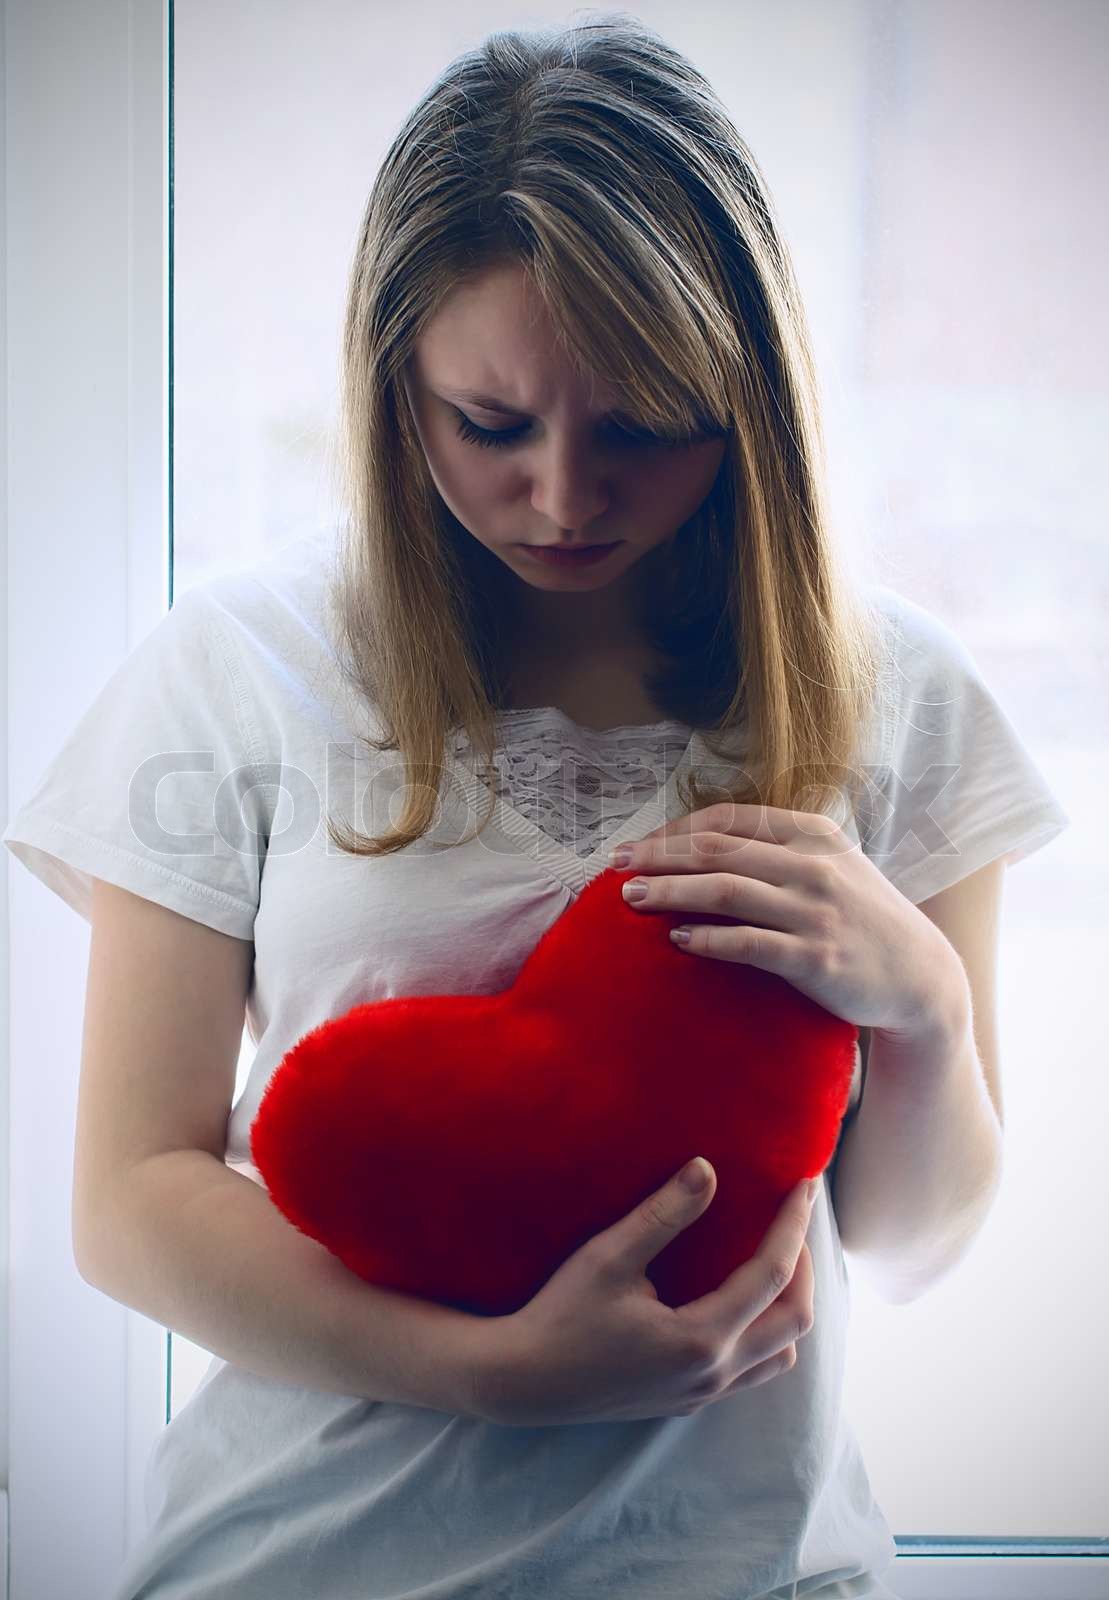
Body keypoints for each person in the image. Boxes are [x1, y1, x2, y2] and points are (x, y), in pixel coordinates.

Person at [2, 15, 1070, 1600]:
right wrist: (482, 1372)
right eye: (489, 426)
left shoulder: (892, 686)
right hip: (303, 1564)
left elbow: (909, 1250)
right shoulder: (240, 665)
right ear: (392, 390)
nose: (565, 497)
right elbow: (131, 1202)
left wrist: (916, 1006)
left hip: (753, 1572)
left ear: (750, 396)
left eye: (643, 425)